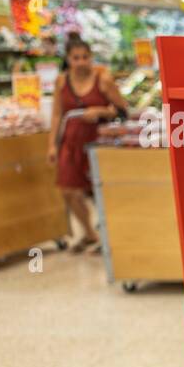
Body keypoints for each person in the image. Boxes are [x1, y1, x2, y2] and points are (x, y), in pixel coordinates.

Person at [47, 36, 130, 252]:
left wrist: (101, 111)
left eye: (85, 57)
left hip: (98, 141)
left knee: (99, 192)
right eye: (76, 58)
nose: (81, 62)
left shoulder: (103, 80)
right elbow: (57, 114)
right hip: (71, 141)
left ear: (91, 57)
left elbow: (123, 110)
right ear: (68, 59)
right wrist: (52, 145)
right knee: (67, 190)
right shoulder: (61, 82)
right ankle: (89, 233)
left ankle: (110, 237)